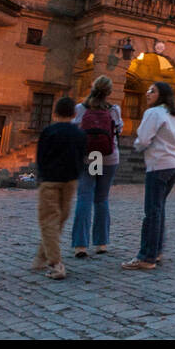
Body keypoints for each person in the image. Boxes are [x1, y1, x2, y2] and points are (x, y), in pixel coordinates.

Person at [122, 81, 175, 271]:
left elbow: (142, 139)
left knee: (152, 212)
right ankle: (156, 250)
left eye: (153, 91)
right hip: (174, 165)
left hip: (158, 165)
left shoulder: (153, 113)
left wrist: (138, 147)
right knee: (159, 210)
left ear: (162, 95)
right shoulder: (174, 116)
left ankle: (146, 257)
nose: (148, 93)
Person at [32, 97, 86, 280]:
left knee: (48, 221)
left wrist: (41, 176)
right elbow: (82, 158)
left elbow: (40, 158)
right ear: (74, 113)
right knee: (58, 220)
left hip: (50, 181)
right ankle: (41, 256)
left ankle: (55, 264)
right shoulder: (79, 134)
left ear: (55, 113)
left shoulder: (48, 131)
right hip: (70, 182)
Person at [70, 75, 123, 259]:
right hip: (109, 156)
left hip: (91, 157)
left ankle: (80, 245)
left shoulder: (81, 109)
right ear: (109, 92)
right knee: (102, 198)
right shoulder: (114, 110)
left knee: (85, 197)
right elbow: (118, 131)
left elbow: (74, 131)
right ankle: (101, 244)